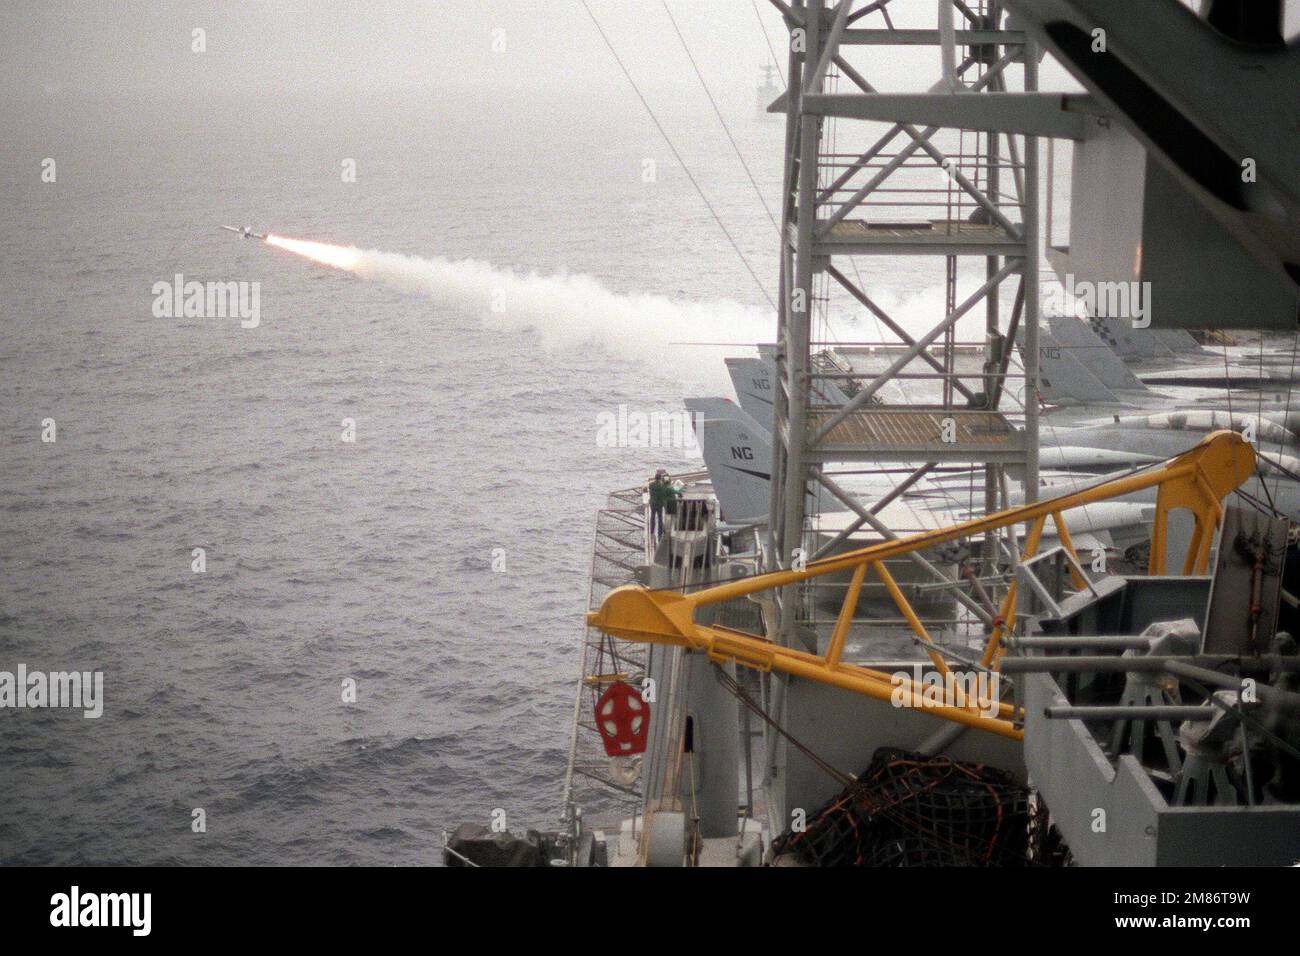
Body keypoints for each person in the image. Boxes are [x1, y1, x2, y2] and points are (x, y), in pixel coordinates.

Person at [648, 469, 681, 539]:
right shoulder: (662, 486)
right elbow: (667, 489)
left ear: (655, 478)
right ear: (660, 479)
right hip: (659, 504)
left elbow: (650, 487)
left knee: (652, 517)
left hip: (652, 503)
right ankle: (660, 534)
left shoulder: (651, 485)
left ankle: (651, 532)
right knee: (660, 518)